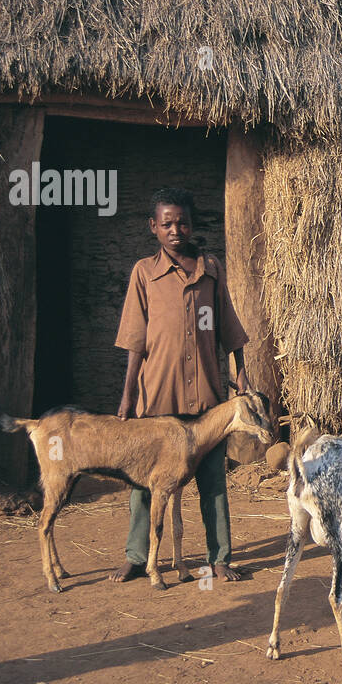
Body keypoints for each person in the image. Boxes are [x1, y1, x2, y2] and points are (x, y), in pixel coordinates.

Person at [110, 187, 251, 583]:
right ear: (153, 227)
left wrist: (240, 374)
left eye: (183, 222)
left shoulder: (210, 270)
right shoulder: (144, 273)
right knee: (143, 483)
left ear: (192, 225)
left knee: (212, 481)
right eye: (167, 223)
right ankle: (138, 556)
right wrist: (128, 396)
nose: (176, 229)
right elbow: (135, 340)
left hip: (206, 396)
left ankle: (219, 557)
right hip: (158, 398)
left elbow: (229, 327)